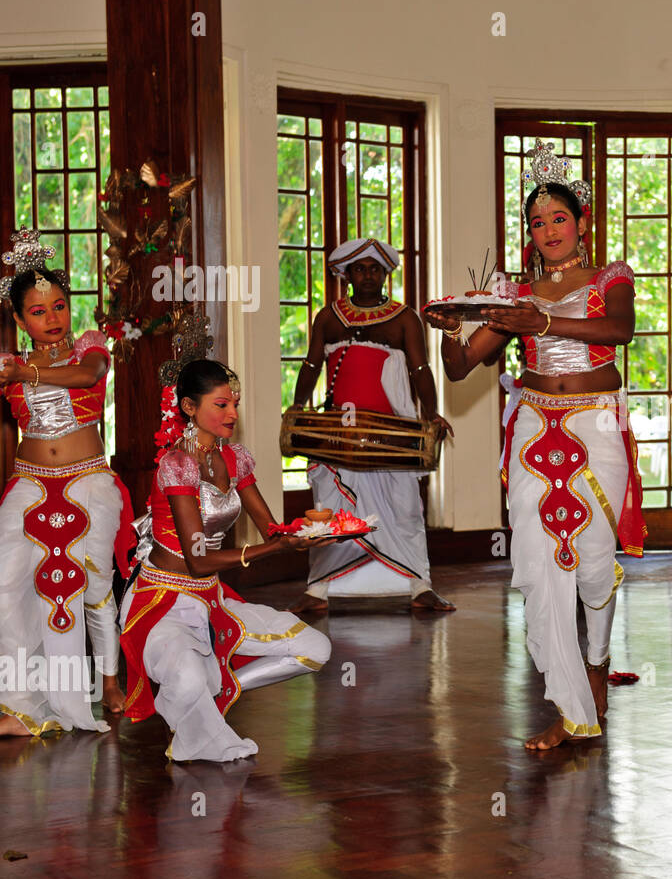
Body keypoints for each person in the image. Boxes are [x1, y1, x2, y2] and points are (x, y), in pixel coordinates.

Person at [422, 140, 645, 751]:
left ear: (581, 223)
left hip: (595, 422)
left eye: (560, 218)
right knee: (543, 563)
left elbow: (618, 331)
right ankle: (571, 706)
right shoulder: (512, 295)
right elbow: (464, 368)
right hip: (532, 423)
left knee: (596, 560)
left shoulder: (610, 278)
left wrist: (541, 323)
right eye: (538, 221)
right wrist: (450, 332)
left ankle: (597, 663)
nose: (549, 230)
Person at [118, 360, 331, 761]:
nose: (233, 413)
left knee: (314, 647)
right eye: (221, 404)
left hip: (212, 599)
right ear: (189, 407)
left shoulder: (235, 459)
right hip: (162, 602)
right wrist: (275, 549)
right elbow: (198, 561)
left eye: (234, 402)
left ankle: (216, 688)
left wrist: (306, 533)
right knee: (184, 676)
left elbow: (272, 530)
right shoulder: (176, 465)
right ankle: (196, 694)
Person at [0, 228, 135, 737]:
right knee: (5, 580)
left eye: (59, 305)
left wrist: (24, 374)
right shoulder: (8, 364)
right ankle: (19, 702)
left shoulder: (89, 347)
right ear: (18, 319)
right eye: (38, 311)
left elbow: (87, 377)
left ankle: (108, 680)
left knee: (95, 581)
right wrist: (13, 371)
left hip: (88, 479)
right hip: (30, 479)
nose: (53, 318)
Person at [289, 237, 455, 614]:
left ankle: (418, 586)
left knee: (405, 508)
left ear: (385, 274)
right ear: (346, 274)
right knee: (330, 509)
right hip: (338, 434)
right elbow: (312, 365)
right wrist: (298, 407)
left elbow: (420, 370)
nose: (367, 275)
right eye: (359, 268)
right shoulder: (328, 317)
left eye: (374, 268)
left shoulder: (404, 318)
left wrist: (430, 414)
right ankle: (318, 591)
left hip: (390, 434)